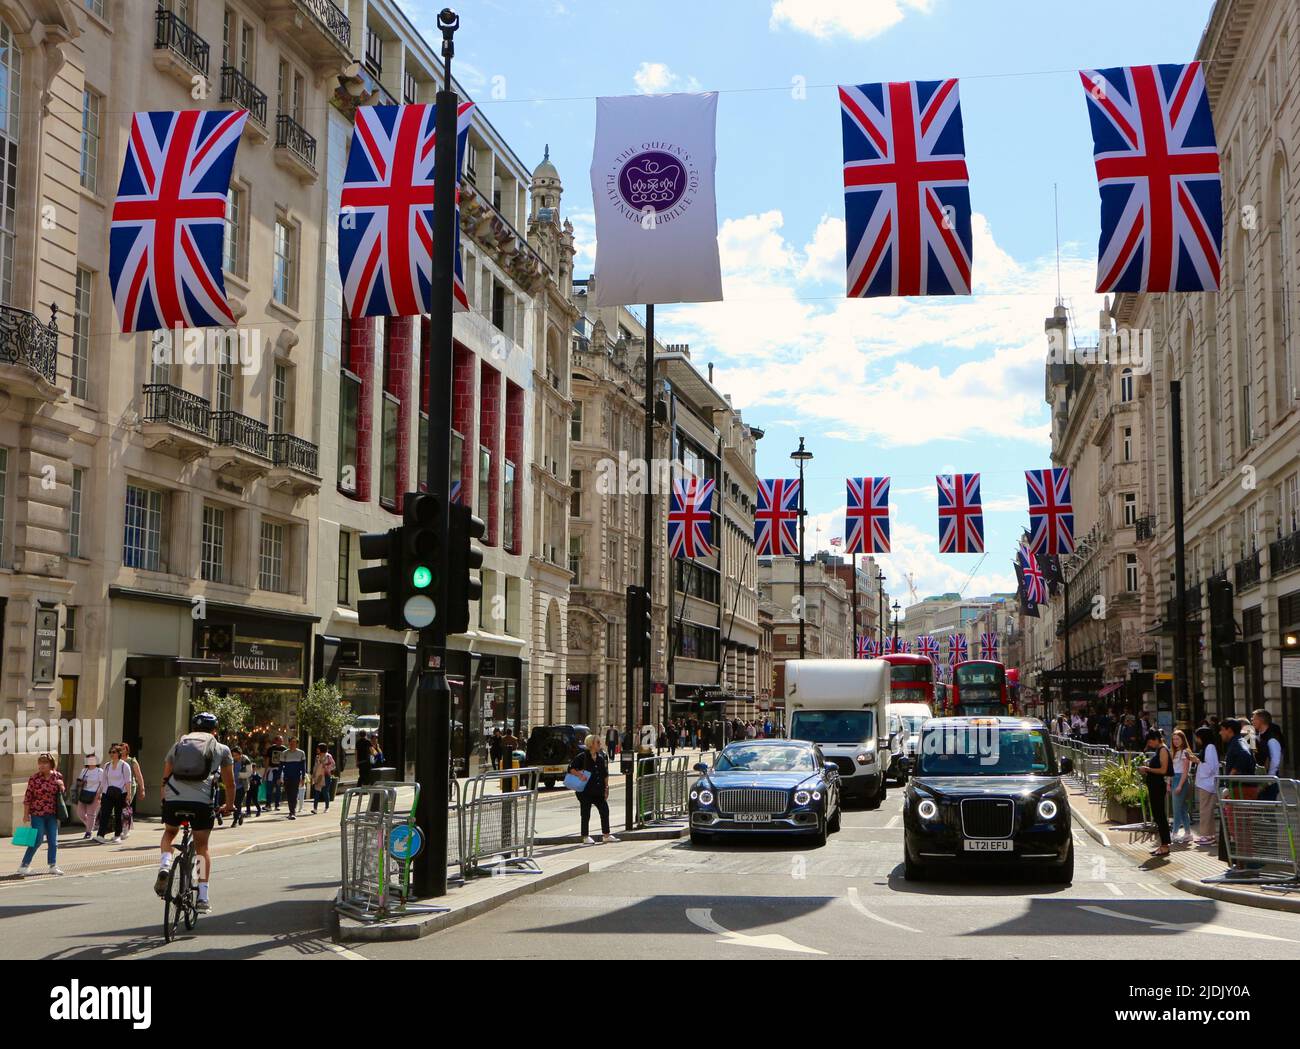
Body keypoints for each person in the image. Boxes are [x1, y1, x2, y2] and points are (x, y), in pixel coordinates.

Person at [154, 713, 236, 913]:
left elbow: (165, 778)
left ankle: (165, 864)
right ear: (214, 730)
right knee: (202, 847)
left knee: (170, 833)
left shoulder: (179, 745)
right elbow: (230, 784)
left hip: (175, 799)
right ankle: (203, 896)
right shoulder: (221, 749)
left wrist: (165, 801)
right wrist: (229, 806)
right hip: (201, 803)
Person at [16, 752, 65, 877]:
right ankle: (24, 865)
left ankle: (53, 865)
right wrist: (26, 814)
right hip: (37, 814)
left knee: (53, 841)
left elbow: (61, 795)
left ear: (51, 764)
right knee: (37, 840)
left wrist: (61, 786)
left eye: (45, 763)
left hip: (52, 814)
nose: (42, 765)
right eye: (40, 763)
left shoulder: (57, 776)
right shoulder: (34, 778)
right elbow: (28, 797)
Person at [568, 734, 618, 845]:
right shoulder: (582, 757)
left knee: (604, 811)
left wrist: (606, 787)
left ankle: (606, 835)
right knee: (585, 813)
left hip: (598, 790)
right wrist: (579, 775)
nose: (600, 744)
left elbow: (605, 774)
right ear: (591, 744)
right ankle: (585, 837)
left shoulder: (600, 758)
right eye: (598, 743)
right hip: (585, 791)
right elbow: (571, 769)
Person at [1137, 728, 1172, 857]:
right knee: (1157, 815)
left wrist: (1147, 769)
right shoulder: (1159, 750)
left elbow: (1163, 770)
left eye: (1150, 742)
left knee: (1160, 816)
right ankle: (1163, 844)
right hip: (1154, 786)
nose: (1149, 745)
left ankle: (1165, 845)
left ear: (1156, 739)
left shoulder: (1163, 750)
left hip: (1158, 786)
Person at [95, 745, 134, 843]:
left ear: (119, 753)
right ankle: (100, 835)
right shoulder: (107, 765)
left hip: (121, 793)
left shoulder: (124, 765)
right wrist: (99, 792)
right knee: (104, 813)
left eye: (114, 752)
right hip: (107, 793)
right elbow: (103, 780)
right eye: (110, 752)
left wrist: (129, 794)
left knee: (118, 814)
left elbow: (128, 781)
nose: (112, 754)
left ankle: (117, 835)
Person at [1192, 726, 1219, 846]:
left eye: (1197, 737)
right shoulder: (1209, 747)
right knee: (1207, 810)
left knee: (1205, 810)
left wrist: (1197, 761)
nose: (1196, 740)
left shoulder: (1209, 747)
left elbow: (1210, 768)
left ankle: (1206, 835)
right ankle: (1210, 834)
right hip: (1207, 784)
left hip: (1207, 784)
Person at [1252, 709, 1284, 800]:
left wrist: (1268, 780)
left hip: (1269, 781)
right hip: (1261, 779)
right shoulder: (1259, 736)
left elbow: (1275, 761)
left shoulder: (1272, 739)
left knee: (1267, 810)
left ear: (1261, 720)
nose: (1252, 721)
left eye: (1254, 719)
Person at [1169, 729, 1195, 844]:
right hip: (1175, 778)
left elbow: (1185, 771)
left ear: (1183, 739)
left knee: (1177, 809)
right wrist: (1168, 783)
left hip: (1181, 780)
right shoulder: (1175, 752)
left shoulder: (1185, 752)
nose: (1175, 741)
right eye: (1174, 739)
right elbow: (1171, 769)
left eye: (1177, 739)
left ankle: (1174, 833)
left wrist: (1179, 785)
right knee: (1183, 808)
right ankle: (1188, 833)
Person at [117, 742, 146, 839]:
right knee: (122, 808)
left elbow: (138, 775)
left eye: (123, 748)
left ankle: (126, 830)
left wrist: (142, 789)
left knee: (125, 806)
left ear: (127, 750)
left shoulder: (132, 761)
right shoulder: (117, 760)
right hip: (119, 787)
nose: (121, 750)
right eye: (119, 749)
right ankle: (127, 825)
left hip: (130, 787)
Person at [73, 753, 103, 839]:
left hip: (94, 794)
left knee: (91, 814)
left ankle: (88, 831)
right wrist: (81, 782)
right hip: (84, 793)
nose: (91, 761)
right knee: (80, 813)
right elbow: (79, 781)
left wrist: (98, 794)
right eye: (89, 759)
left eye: (93, 759)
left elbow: (102, 784)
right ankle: (91, 825)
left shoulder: (99, 771)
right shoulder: (84, 770)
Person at [281, 738, 308, 820]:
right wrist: (279, 777)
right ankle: (291, 811)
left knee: (294, 793)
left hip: (296, 777)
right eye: (291, 742)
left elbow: (303, 767)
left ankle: (293, 812)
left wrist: (303, 778)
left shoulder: (301, 753)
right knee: (289, 794)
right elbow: (280, 766)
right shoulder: (284, 753)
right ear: (289, 743)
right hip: (287, 776)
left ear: (297, 744)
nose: (292, 744)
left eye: (294, 742)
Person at [311, 743, 337, 814]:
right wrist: (313, 775)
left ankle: (327, 807)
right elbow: (315, 766)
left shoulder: (328, 756)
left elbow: (333, 765)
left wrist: (325, 767)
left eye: (318, 748)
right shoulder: (317, 757)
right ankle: (315, 809)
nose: (317, 749)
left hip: (326, 775)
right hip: (318, 776)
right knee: (317, 792)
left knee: (325, 791)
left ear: (322, 748)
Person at [263, 736, 287, 810]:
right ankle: (268, 805)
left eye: (281, 740)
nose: (280, 742)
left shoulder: (284, 749)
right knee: (269, 788)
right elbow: (267, 760)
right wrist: (265, 772)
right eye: (279, 740)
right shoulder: (270, 749)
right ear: (275, 741)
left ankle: (277, 805)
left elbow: (286, 761)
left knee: (278, 788)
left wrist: (285, 771)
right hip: (271, 769)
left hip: (280, 770)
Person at [230, 747, 251, 827]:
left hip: (242, 785)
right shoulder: (232, 761)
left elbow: (249, 773)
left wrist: (239, 775)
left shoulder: (246, 760)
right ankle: (240, 814)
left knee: (237, 803)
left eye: (235, 755)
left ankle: (235, 820)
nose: (234, 757)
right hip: (233, 785)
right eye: (233, 755)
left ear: (240, 754)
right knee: (234, 803)